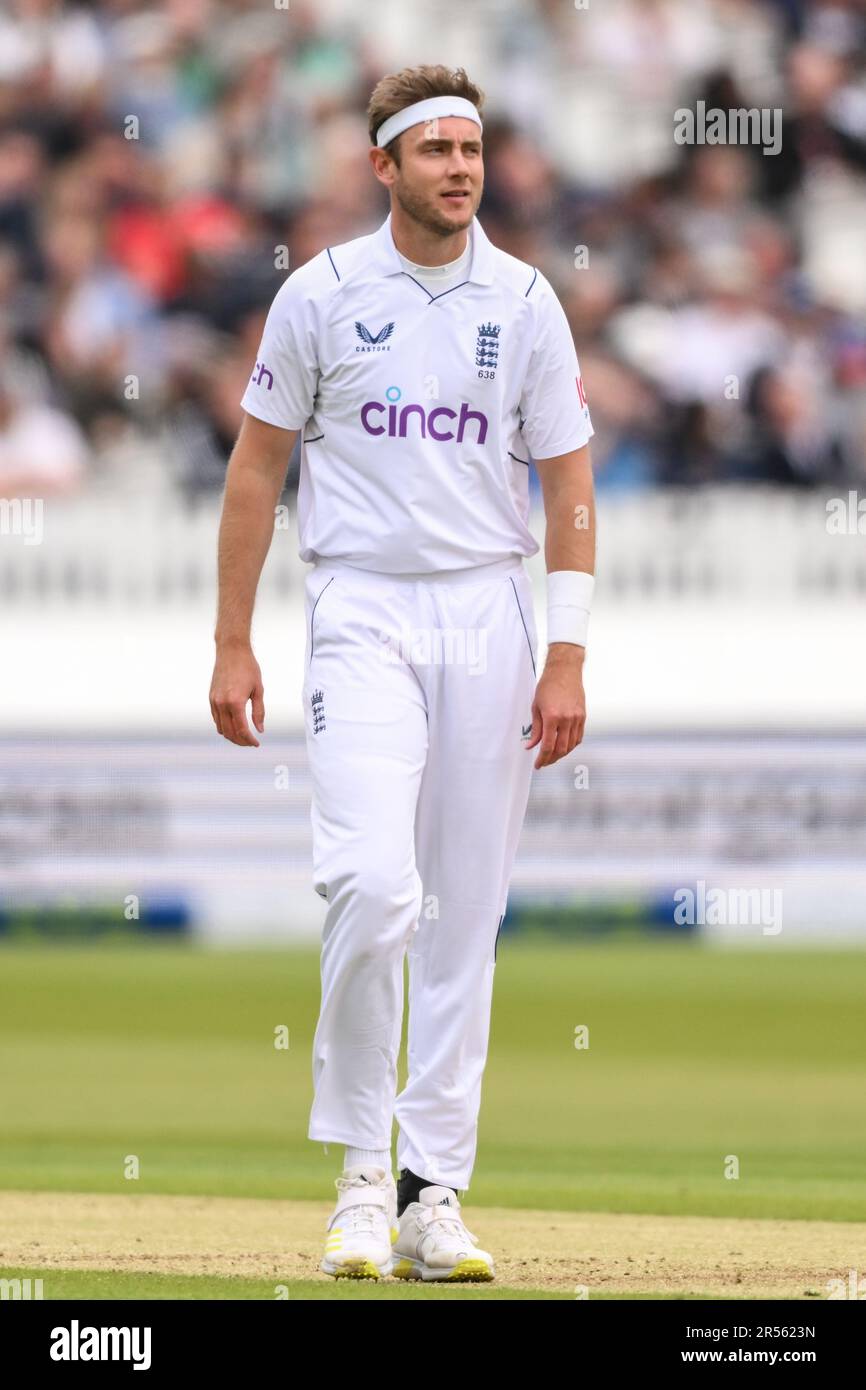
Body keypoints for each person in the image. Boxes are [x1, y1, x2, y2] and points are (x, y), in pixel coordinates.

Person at [209, 64, 596, 1284]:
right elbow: (257, 472)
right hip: (363, 608)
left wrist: (567, 649)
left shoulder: (527, 300)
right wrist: (231, 638)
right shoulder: (320, 296)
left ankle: (436, 1194)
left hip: (486, 611)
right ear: (381, 166)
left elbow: (568, 484)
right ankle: (360, 1181)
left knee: (463, 915)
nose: (458, 168)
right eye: (431, 150)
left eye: (469, 148)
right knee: (375, 887)